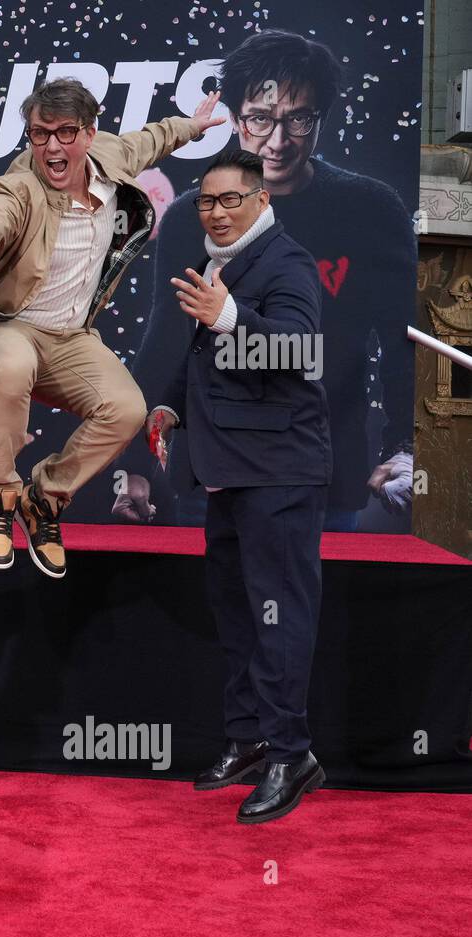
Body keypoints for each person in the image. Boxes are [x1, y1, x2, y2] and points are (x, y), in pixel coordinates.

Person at [0, 78, 225, 577]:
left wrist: (190, 126)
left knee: (126, 409)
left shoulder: (109, 156)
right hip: (1, 329)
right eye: (39, 134)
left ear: (89, 132)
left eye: (64, 133)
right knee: (13, 364)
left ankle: (45, 499)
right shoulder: (20, 188)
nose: (52, 147)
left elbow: (150, 139)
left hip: (69, 339)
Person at [116, 29, 416, 531]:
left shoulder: (370, 209)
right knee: (213, 600)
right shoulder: (194, 214)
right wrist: (135, 460)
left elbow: (402, 340)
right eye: (260, 119)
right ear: (235, 119)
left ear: (320, 119)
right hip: (214, 463)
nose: (278, 142)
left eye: (299, 119)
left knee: (316, 603)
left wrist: (404, 449)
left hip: (323, 462)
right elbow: (167, 342)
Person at [147, 149, 329, 823]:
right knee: (237, 611)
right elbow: (204, 359)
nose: (217, 214)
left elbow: (299, 350)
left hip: (279, 473)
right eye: (207, 202)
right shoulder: (222, 267)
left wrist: (229, 318)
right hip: (227, 471)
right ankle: (250, 736)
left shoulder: (287, 262)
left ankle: (293, 753)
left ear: (261, 202)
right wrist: (172, 406)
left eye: (231, 201)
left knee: (280, 617)